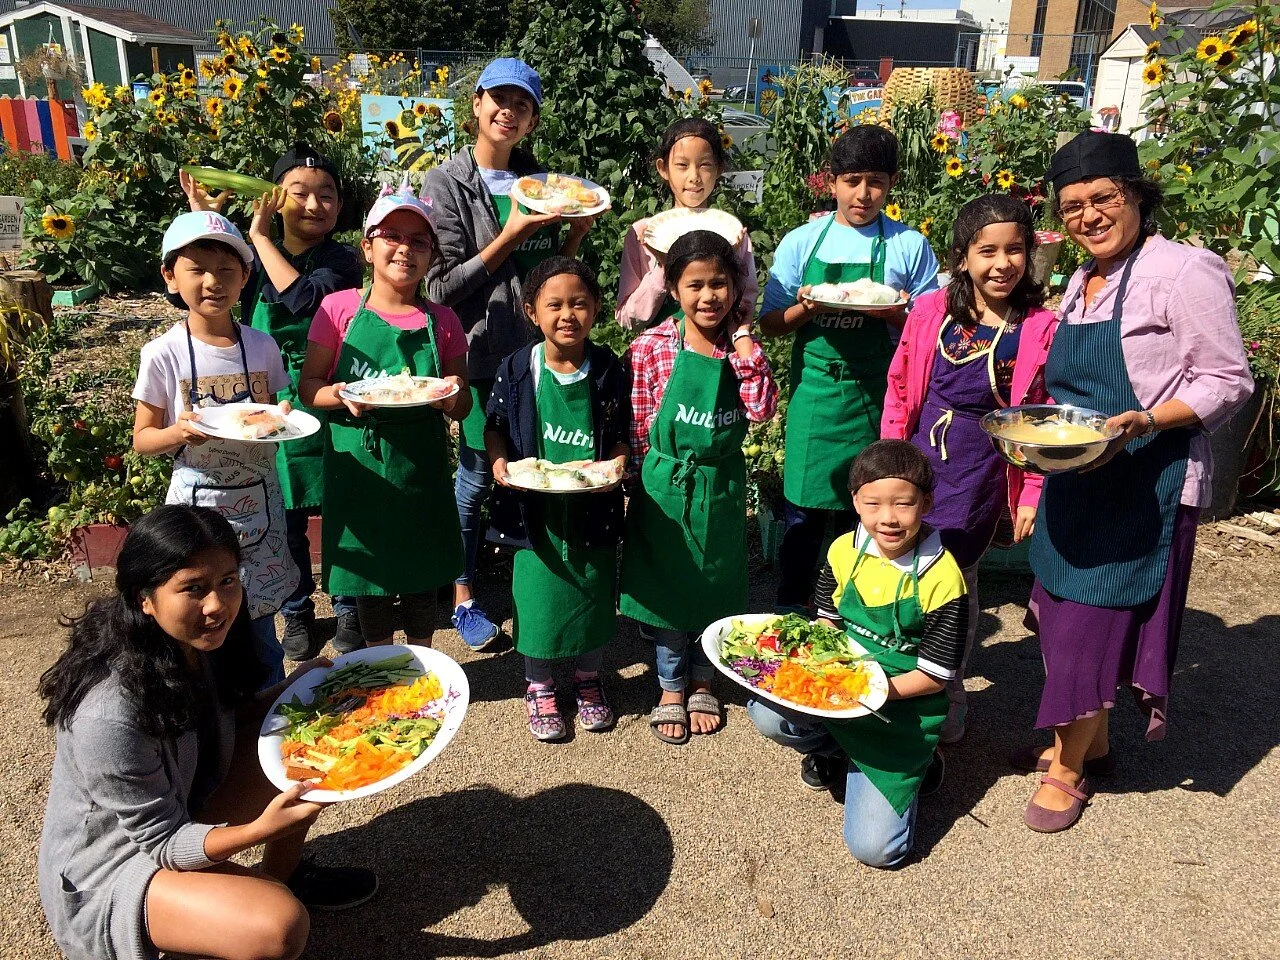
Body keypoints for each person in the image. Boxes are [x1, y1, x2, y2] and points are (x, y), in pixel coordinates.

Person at [1016, 131, 1254, 832]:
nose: (1088, 216)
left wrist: (1147, 419)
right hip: (1080, 473)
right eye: (1072, 206)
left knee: (1092, 626)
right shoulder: (1081, 279)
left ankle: (1068, 767)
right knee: (1060, 613)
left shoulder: (1182, 271)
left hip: (1148, 476)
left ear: (1136, 197)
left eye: (1102, 199)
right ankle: (1097, 739)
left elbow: (1227, 377)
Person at [37, 505, 377, 960]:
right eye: (193, 588)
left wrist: (290, 687)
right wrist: (260, 830)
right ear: (145, 597)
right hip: (112, 867)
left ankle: (273, 883)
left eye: (227, 581)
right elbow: (160, 843)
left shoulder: (196, 641)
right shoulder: (108, 710)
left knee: (309, 761)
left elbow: (220, 722)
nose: (216, 604)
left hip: (184, 800)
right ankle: (224, 916)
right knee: (278, 927)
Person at [425, 58, 594, 651]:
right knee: (475, 477)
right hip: (476, 354)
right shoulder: (445, 184)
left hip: (534, 358)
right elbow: (441, 287)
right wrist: (511, 234)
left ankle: (537, 580)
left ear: (532, 119)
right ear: (475, 104)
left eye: (521, 104)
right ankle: (462, 594)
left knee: (534, 471)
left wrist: (571, 236)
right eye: (498, 99)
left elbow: (546, 277)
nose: (507, 111)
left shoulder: (542, 184)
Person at [882, 194, 1057, 743]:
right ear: (962, 257)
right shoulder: (933, 311)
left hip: (981, 473)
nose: (1002, 263)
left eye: (1015, 250)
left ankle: (946, 686)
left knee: (954, 579)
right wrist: (891, 465)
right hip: (920, 460)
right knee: (896, 568)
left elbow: (1040, 421)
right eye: (988, 251)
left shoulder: (1037, 326)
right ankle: (892, 673)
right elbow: (900, 387)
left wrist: (1030, 492)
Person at [182, 144, 366, 659]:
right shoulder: (251, 256)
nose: (315, 205)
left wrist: (258, 237)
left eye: (326, 195)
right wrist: (208, 220)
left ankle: (350, 604)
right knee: (279, 515)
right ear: (276, 198)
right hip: (265, 404)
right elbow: (216, 276)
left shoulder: (341, 259)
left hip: (325, 397)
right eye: (301, 193)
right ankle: (297, 609)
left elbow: (304, 300)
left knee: (339, 509)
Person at [748, 440, 968, 868]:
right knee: (767, 711)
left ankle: (923, 760)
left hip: (902, 711)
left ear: (926, 502)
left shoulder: (943, 578)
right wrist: (815, 669)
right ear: (855, 502)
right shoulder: (843, 550)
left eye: (903, 504)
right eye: (873, 504)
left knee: (877, 851)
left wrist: (872, 692)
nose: (888, 518)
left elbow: (936, 675)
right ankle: (834, 749)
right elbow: (828, 621)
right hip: (842, 690)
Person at [760, 125, 940, 613]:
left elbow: (928, 329)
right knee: (802, 512)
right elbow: (771, 323)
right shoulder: (802, 242)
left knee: (862, 507)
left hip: (876, 396)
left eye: (876, 182)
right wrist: (807, 309)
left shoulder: (908, 246)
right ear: (832, 182)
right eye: (853, 180)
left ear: (892, 183)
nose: (864, 194)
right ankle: (792, 604)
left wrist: (894, 315)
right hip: (815, 395)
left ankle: (851, 609)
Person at [620, 230, 778, 745]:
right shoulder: (651, 346)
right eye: (696, 285)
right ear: (673, 288)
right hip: (665, 482)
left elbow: (760, 409)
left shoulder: (741, 349)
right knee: (668, 586)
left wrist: (745, 340)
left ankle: (705, 677)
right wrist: (643, 482)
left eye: (719, 284)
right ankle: (669, 684)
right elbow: (639, 420)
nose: (709, 296)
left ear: (735, 287)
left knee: (715, 581)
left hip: (723, 483)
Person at [298, 183, 471, 649]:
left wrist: (447, 398)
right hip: (358, 468)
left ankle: (419, 660)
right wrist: (339, 394)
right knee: (368, 583)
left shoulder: (442, 321)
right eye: (392, 235)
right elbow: (308, 388)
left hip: (421, 467)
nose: (404, 249)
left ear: (432, 255)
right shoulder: (338, 310)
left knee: (420, 578)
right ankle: (378, 662)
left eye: (419, 241)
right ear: (368, 246)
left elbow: (463, 401)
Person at [132, 211, 299, 686]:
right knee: (196, 635)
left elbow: (273, 414)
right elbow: (143, 439)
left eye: (227, 271)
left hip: (260, 509)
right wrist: (179, 433)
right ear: (170, 276)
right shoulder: (161, 353)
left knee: (262, 629)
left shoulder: (262, 346)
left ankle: (265, 722)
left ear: (245, 277)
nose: (212, 282)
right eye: (196, 269)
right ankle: (203, 729)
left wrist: (280, 414)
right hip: (197, 513)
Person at [485, 257, 630, 740]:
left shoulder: (609, 368)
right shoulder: (517, 368)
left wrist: (617, 463)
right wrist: (500, 463)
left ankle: (588, 680)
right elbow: (496, 427)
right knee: (537, 600)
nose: (568, 314)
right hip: (536, 513)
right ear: (532, 312)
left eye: (580, 304)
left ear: (597, 310)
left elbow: (623, 433)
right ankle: (540, 684)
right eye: (555, 305)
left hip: (593, 508)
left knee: (591, 597)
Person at [616, 117, 757, 330]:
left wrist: (731, 261)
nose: (694, 177)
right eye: (682, 165)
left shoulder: (732, 233)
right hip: (660, 357)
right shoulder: (644, 234)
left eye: (705, 165)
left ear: (719, 168)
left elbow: (745, 310)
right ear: (663, 168)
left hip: (718, 356)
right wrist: (663, 267)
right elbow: (628, 319)